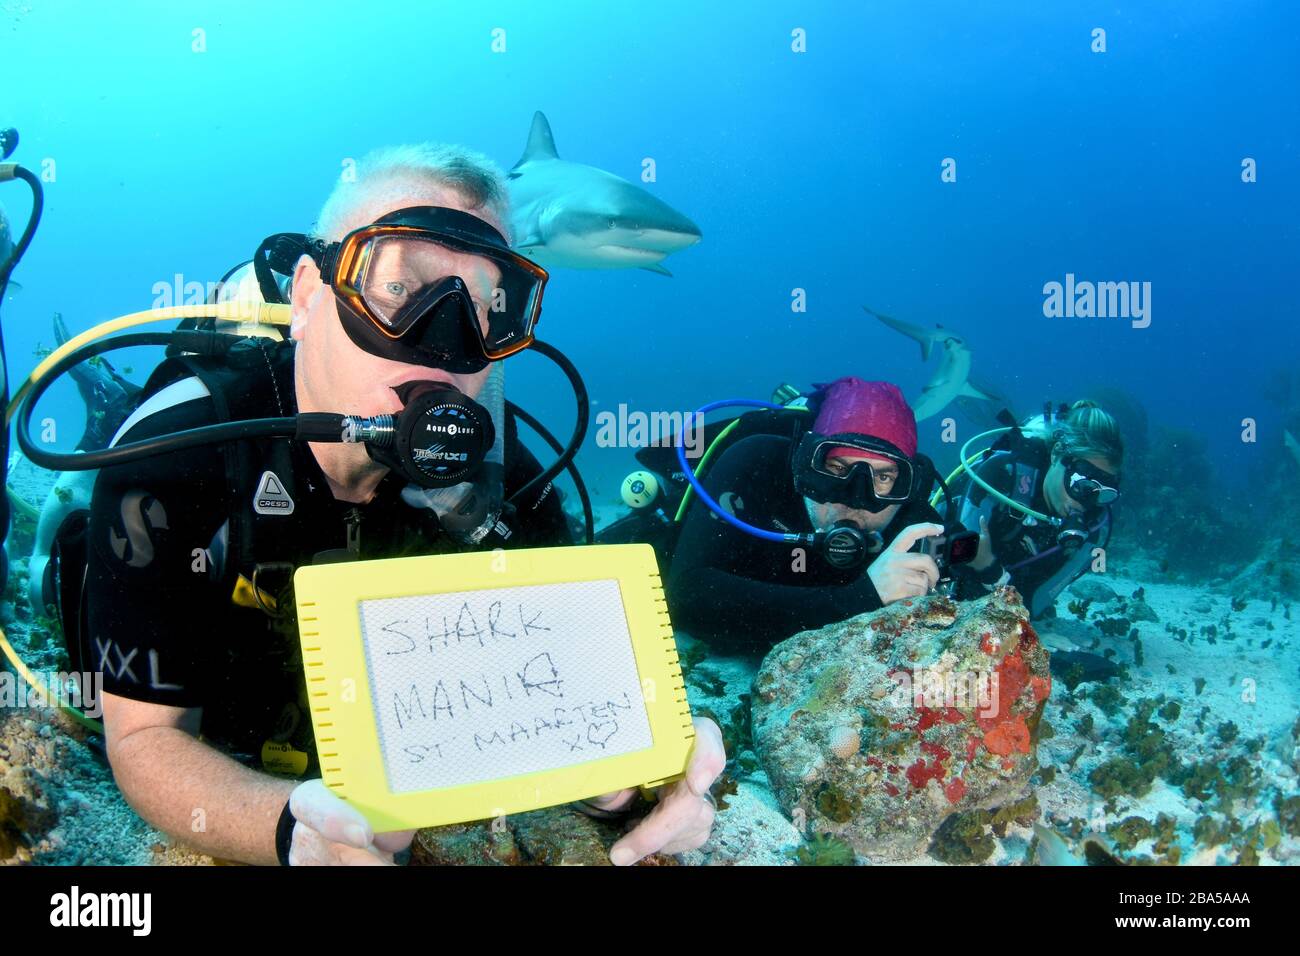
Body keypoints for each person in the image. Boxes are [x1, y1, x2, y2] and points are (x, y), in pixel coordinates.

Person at [82, 144, 723, 866]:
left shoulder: (508, 484)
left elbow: (569, 707)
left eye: (485, 306)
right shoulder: (181, 451)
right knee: (73, 543)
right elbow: (143, 739)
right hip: (224, 708)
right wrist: (290, 834)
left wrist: (642, 772)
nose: (445, 345)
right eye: (398, 288)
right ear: (307, 294)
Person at [666, 377, 949, 652]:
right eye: (838, 468)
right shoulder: (757, 467)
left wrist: (986, 568)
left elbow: (960, 583)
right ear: (805, 464)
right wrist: (858, 600)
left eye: (883, 477)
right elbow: (686, 597)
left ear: (906, 485)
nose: (855, 500)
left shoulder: (912, 517)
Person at [948, 400, 1123, 619]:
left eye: (1101, 494)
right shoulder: (1000, 476)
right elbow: (952, 583)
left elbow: (1034, 606)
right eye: (1080, 486)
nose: (1084, 504)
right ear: (1057, 453)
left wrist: (989, 569)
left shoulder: (1094, 527)